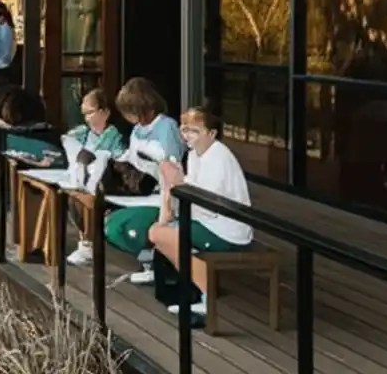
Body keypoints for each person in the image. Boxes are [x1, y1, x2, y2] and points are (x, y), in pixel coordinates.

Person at [148, 106, 253, 318]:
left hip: (226, 228)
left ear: (211, 133)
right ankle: (196, 289)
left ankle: (206, 295)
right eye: (184, 130)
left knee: (160, 233)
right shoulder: (195, 155)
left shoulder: (219, 156)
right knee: (159, 231)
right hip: (204, 220)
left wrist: (177, 182)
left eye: (194, 131)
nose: (187, 136)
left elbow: (208, 202)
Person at [108, 77, 186, 284]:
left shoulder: (167, 126)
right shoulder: (137, 129)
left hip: (169, 191)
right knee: (113, 225)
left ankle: (160, 261)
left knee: (131, 224)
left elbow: (172, 163)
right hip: (147, 186)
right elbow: (132, 156)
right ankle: (150, 260)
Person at [63, 88, 125, 266]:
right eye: (84, 113)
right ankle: (85, 242)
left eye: (91, 112)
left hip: (109, 182)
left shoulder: (114, 135)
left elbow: (117, 159)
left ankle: (88, 244)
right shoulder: (84, 132)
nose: (87, 118)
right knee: (72, 194)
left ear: (105, 112)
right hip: (84, 180)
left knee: (85, 199)